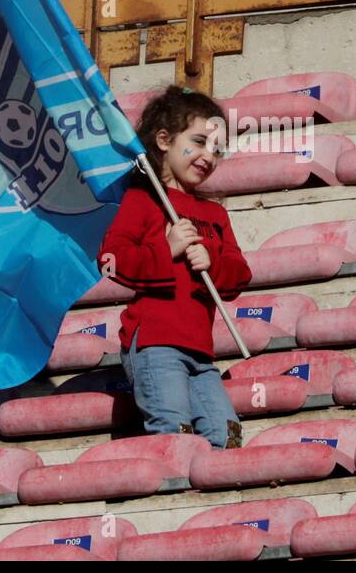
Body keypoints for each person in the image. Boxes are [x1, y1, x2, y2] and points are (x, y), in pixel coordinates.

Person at [98, 85, 252, 449]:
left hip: (201, 350)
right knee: (174, 432)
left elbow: (239, 274)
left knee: (227, 437)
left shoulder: (215, 214)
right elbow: (111, 259)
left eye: (217, 150)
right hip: (155, 343)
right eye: (198, 142)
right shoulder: (142, 199)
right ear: (164, 139)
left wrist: (212, 266)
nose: (207, 157)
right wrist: (165, 249)